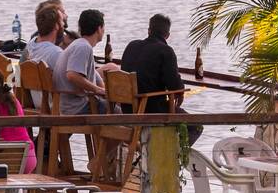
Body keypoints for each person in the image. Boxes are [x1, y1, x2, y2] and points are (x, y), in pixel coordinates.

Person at [121, 14, 203, 146]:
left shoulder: (131, 46)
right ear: (168, 35)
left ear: (149, 30)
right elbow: (174, 85)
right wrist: (180, 91)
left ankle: (155, 155)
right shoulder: (165, 51)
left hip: (126, 108)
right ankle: (173, 158)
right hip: (149, 110)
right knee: (196, 126)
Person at [52, 9, 118, 115]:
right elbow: (72, 75)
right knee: (123, 112)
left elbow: (96, 77)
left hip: (69, 106)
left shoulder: (79, 45)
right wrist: (97, 90)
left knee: (117, 104)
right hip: (78, 108)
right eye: (103, 27)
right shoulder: (83, 47)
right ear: (99, 29)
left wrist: (104, 90)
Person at [26, 3, 64, 71]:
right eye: (61, 21)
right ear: (56, 26)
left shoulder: (31, 44)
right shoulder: (57, 53)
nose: (63, 24)